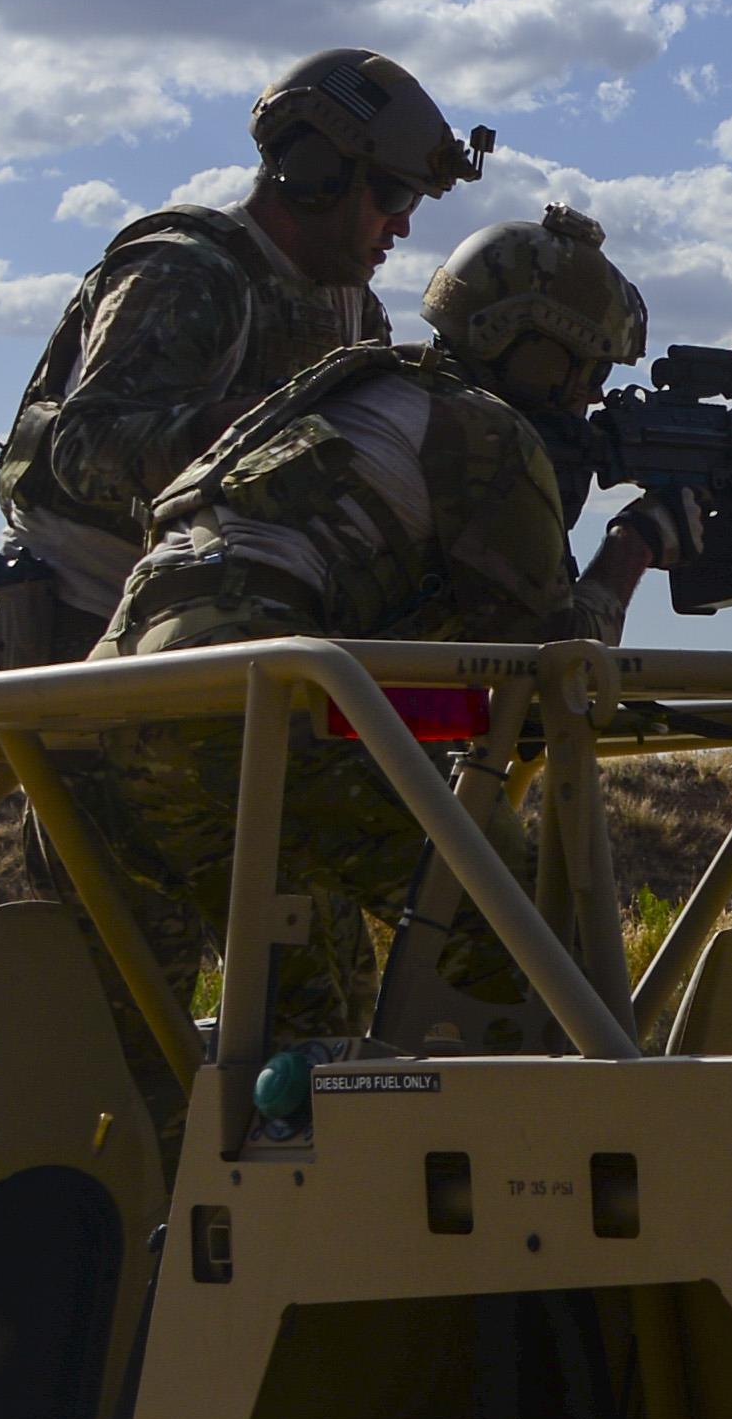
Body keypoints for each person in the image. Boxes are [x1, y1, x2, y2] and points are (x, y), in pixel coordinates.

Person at [73, 205, 654, 1028]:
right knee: (545, 948)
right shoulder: (484, 433)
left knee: (316, 1006)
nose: (592, 395)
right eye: (586, 369)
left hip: (113, 706)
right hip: (255, 709)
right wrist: (635, 548)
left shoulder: (352, 392)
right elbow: (553, 672)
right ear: (530, 346)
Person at [0, 49, 488, 667]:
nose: (401, 226)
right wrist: (277, 430)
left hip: (229, 622)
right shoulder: (185, 271)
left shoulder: (354, 308)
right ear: (315, 172)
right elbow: (85, 451)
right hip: (90, 635)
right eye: (393, 194)